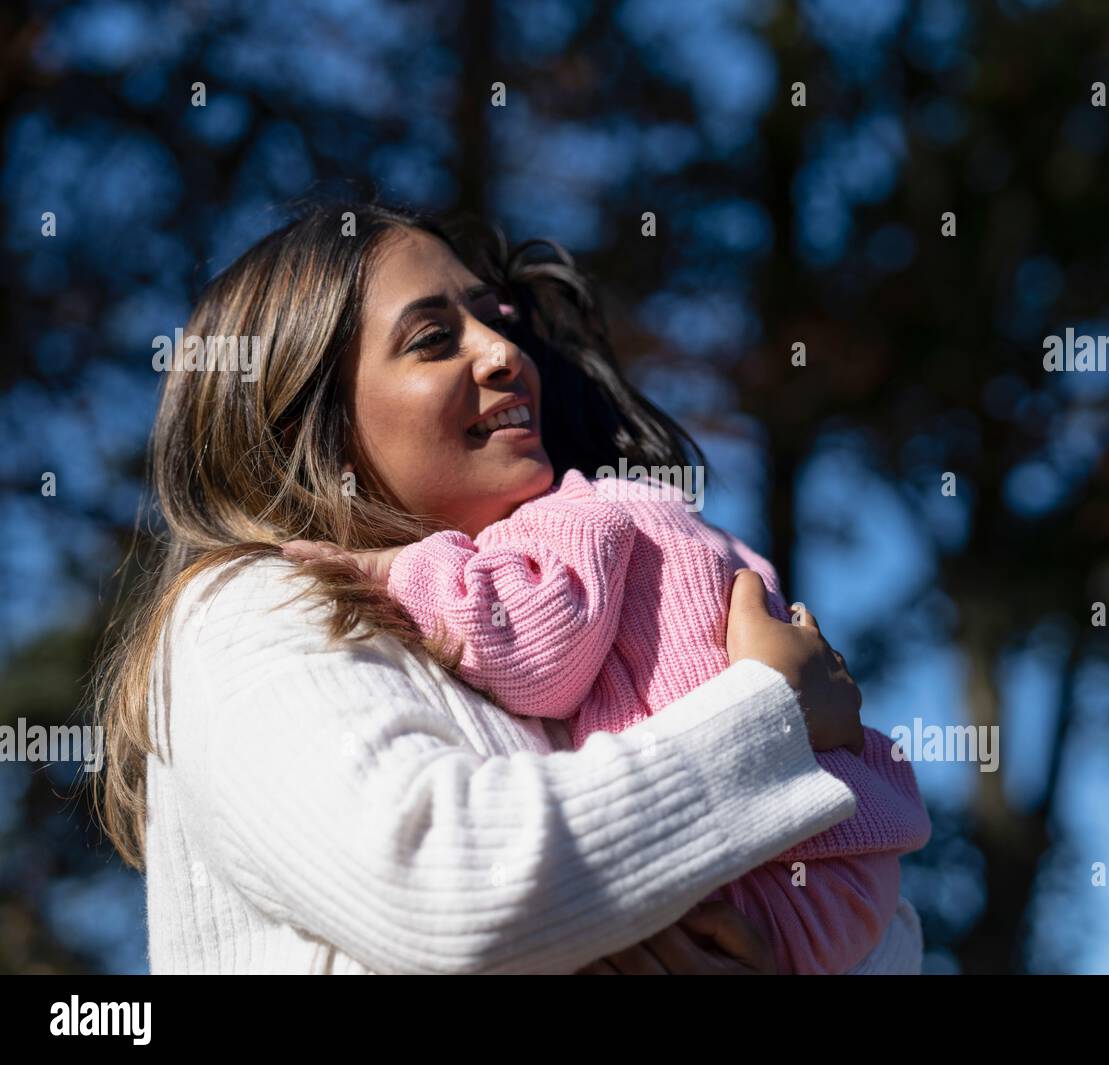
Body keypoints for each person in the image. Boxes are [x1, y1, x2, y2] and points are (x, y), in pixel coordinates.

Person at [91, 203, 926, 973]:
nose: (502, 352)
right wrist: (773, 707)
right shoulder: (250, 605)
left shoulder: (559, 610)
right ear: (312, 427)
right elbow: (442, 881)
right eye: (430, 339)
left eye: (492, 319)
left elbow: (893, 931)